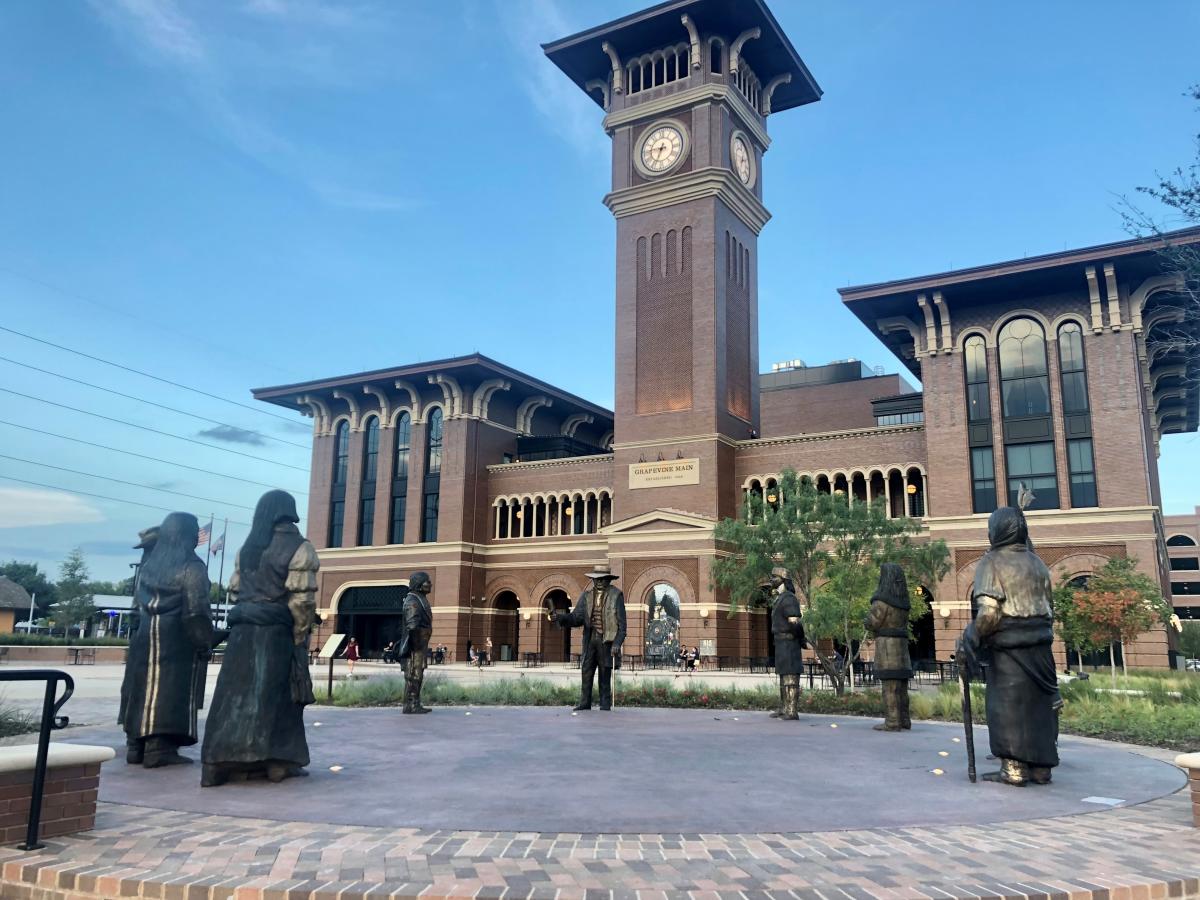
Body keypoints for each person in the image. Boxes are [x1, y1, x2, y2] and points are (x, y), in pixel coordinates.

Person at [201, 490, 319, 787]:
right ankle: (277, 762)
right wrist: (299, 633)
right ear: (289, 512)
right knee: (277, 698)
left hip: (243, 633)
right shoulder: (300, 547)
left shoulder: (248, 547)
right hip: (277, 632)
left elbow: (235, 591)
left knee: (231, 696)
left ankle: (221, 761)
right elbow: (302, 599)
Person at [958, 506, 1060, 786]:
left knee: (1008, 706)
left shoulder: (991, 563)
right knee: (1038, 706)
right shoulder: (1038, 563)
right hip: (1041, 649)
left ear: (997, 530)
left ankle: (1013, 768)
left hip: (1008, 649)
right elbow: (1050, 608)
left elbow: (989, 614)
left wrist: (970, 635)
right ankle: (1041, 767)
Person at [119, 515, 214, 767]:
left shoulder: (149, 565)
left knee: (140, 686)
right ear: (184, 535)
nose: (197, 536)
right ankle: (158, 747)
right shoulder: (191, 565)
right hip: (175, 639)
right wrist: (204, 642)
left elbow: (136, 608)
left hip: (144, 637)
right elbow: (196, 611)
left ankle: (135, 745)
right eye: (194, 531)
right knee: (168, 691)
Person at [555, 564, 626, 711]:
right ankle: (585, 702)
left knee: (604, 674)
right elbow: (576, 618)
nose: (599, 582)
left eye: (602, 579)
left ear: (608, 580)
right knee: (586, 671)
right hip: (589, 641)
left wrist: (617, 643)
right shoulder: (586, 596)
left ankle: (604, 704)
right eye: (596, 579)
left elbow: (622, 626)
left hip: (606, 642)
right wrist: (561, 618)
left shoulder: (616, 595)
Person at [864, 563, 913, 732]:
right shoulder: (903, 603)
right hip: (902, 648)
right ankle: (904, 719)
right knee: (902, 688)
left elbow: (872, 622)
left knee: (890, 687)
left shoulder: (882, 602)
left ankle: (892, 721)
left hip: (887, 647)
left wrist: (866, 620)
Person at [767, 570, 805, 721]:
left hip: (789, 643)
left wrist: (800, 639)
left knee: (790, 678)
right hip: (781, 642)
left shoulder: (788, 598)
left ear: (784, 579)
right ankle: (784, 708)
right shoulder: (780, 598)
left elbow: (795, 622)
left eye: (775, 577)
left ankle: (791, 710)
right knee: (783, 678)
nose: (772, 579)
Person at [399, 571, 434, 714]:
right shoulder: (412, 601)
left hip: (420, 645)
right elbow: (412, 626)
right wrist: (416, 648)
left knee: (416, 675)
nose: (430, 584)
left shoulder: (419, 599)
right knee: (414, 675)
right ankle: (411, 704)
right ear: (419, 584)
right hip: (415, 646)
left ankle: (412, 704)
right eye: (427, 581)